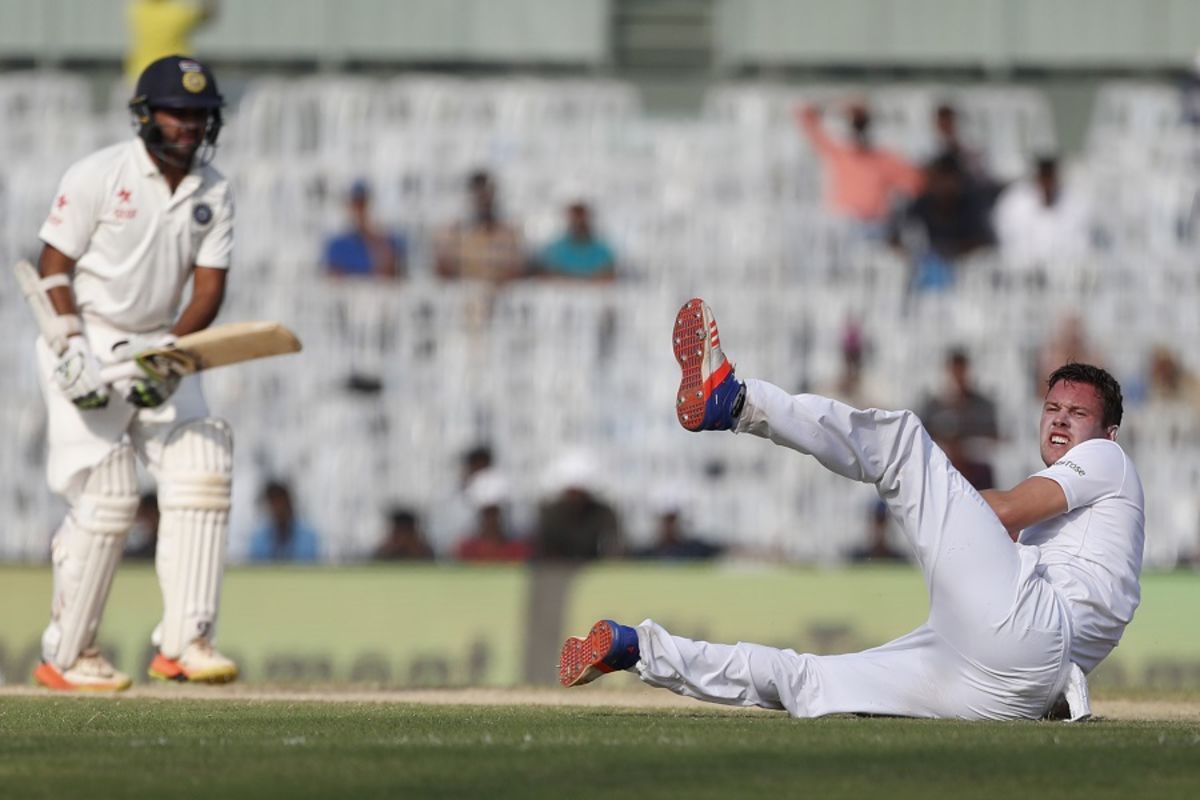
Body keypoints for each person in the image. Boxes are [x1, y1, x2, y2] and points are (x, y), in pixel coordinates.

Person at [561, 298, 1143, 722]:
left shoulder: (1109, 461)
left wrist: (927, 506)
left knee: (901, 446)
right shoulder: (1083, 500)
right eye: (1052, 408)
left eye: (1078, 413)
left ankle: (735, 401)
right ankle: (638, 649)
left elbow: (1007, 511)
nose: (1061, 420)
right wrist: (939, 517)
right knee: (809, 680)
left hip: (1031, 639)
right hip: (1010, 689)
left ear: (1107, 433)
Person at [29, 55, 237, 690]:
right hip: (86, 340)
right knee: (109, 494)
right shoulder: (100, 173)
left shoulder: (215, 190)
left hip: (159, 346)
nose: (189, 126)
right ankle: (68, 656)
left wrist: (171, 354)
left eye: (200, 115)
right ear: (145, 115)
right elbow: (52, 264)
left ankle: (185, 643)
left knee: (204, 461)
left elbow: (208, 290)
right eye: (178, 112)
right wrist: (69, 347)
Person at [795, 102, 924, 229]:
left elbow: (917, 184)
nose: (859, 131)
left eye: (863, 124)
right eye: (855, 124)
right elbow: (805, 117)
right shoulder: (839, 152)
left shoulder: (885, 158)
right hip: (843, 225)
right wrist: (836, 107)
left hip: (875, 226)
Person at [889, 153, 996, 291]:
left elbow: (984, 243)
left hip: (965, 277)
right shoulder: (920, 205)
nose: (944, 185)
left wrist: (951, 251)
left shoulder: (971, 206)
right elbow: (896, 240)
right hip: (923, 276)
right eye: (939, 179)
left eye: (949, 179)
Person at [992, 156, 1092, 274]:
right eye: (1044, 175)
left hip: (1065, 276)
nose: (1047, 182)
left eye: (1050, 175)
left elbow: (1082, 246)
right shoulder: (1013, 203)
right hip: (1022, 276)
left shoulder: (1076, 202)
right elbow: (1007, 242)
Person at [918, 348, 1000, 491]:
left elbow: (992, 437)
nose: (957, 377)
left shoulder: (982, 406)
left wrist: (965, 448)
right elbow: (923, 437)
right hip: (942, 468)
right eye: (954, 372)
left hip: (974, 470)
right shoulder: (933, 408)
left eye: (961, 371)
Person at [434, 169, 526, 284]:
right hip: (464, 292)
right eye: (479, 195)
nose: (484, 200)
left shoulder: (508, 233)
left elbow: (516, 270)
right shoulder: (454, 233)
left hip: (499, 294)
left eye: (488, 195)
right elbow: (442, 270)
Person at [322, 179, 406, 279]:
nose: (360, 211)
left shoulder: (390, 241)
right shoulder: (337, 245)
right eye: (356, 205)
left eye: (363, 204)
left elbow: (390, 276)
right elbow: (333, 279)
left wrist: (373, 239)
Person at [125, 1, 218, 85]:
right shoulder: (178, 14)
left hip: (139, 75)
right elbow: (208, 13)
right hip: (174, 77)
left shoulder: (137, 10)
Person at [454, 470, 531, 562]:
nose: (490, 518)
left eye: (494, 512)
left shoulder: (518, 549)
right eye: (486, 513)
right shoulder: (467, 550)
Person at [534, 202, 616, 282]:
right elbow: (547, 274)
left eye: (581, 219)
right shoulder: (555, 250)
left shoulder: (601, 251)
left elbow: (609, 274)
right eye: (575, 219)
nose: (578, 223)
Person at [247, 480, 321, 562]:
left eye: (280, 501)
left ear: (289, 503)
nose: (278, 508)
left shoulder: (308, 537)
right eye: (273, 503)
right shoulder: (258, 539)